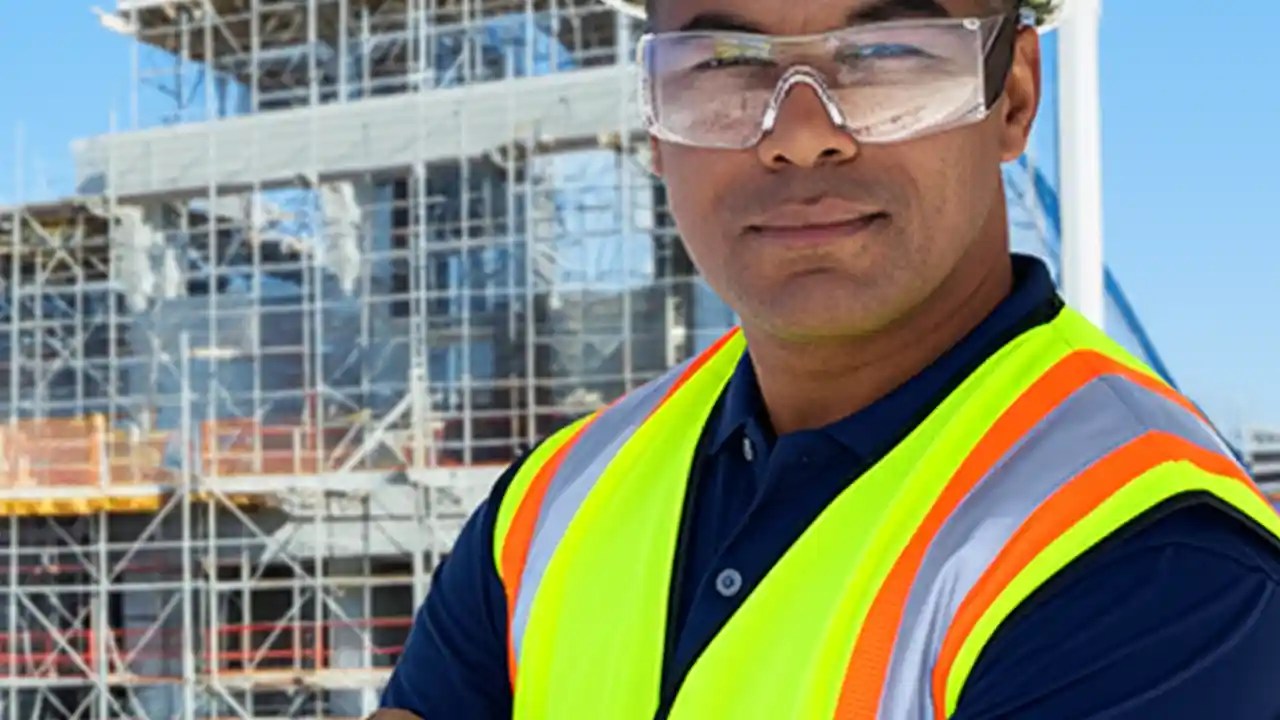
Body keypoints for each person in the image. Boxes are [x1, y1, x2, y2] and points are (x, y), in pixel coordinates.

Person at [376, 0, 1280, 717]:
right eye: (724, 66)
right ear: (654, 125)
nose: (801, 131)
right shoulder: (550, 509)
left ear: (1012, 97)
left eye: (886, 55)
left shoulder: (1152, 566)